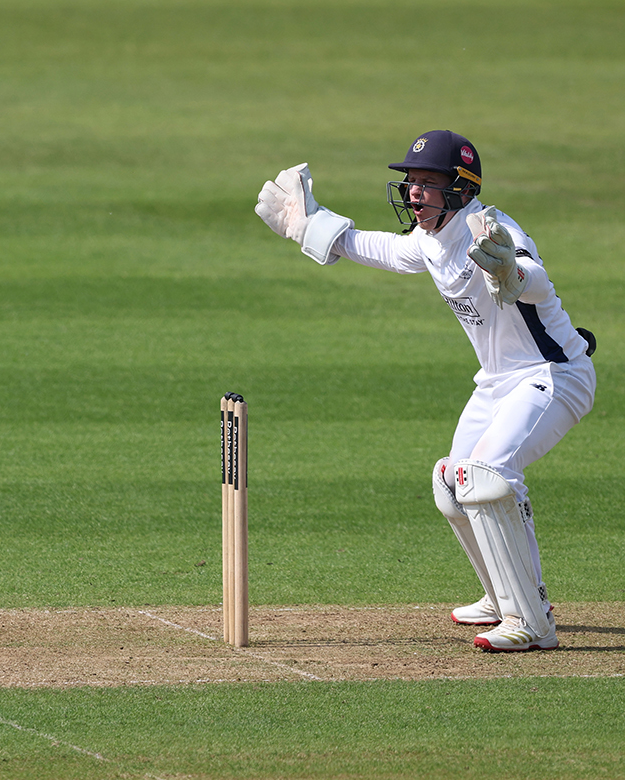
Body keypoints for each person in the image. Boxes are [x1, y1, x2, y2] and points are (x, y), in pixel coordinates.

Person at [255, 130, 595, 653]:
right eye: (410, 182)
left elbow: (533, 274)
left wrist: (511, 271)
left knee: (489, 476)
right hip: (497, 383)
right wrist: (308, 226)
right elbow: (385, 249)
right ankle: (504, 594)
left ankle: (532, 623)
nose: (413, 192)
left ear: (460, 188)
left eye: (427, 183)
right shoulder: (431, 239)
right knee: (453, 483)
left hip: (553, 374)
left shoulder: (490, 229)